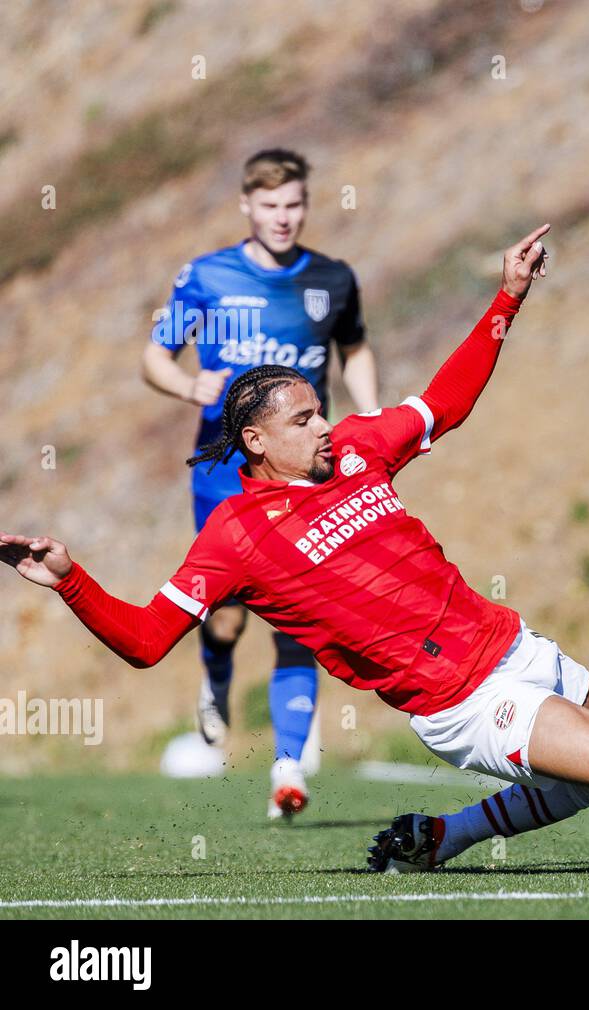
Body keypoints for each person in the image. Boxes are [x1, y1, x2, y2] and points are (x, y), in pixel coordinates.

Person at [2, 226, 589, 874]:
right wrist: (70, 579)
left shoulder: (358, 446)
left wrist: (506, 300)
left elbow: (447, 401)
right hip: (462, 701)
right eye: (303, 418)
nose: (327, 425)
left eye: (320, 410)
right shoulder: (234, 537)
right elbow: (144, 640)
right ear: (255, 443)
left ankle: (447, 838)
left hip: (514, 645)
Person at [140, 148, 379, 817]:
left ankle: (288, 771)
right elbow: (154, 356)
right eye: (270, 206)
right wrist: (191, 384)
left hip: (304, 472)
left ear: (306, 205)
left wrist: (367, 409)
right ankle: (215, 682)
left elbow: (355, 345)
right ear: (247, 206)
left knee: (300, 617)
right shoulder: (207, 276)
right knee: (226, 612)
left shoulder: (332, 277)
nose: (283, 217)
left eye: (294, 205)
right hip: (223, 472)